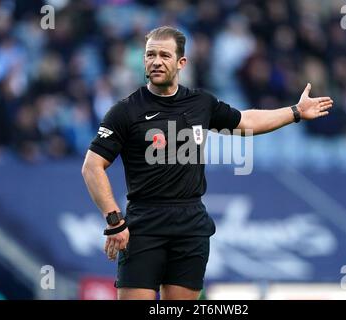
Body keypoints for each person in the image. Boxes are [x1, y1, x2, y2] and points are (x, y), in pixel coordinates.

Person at [81, 26, 333, 300]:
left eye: (165, 55)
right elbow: (92, 166)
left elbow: (246, 121)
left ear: (181, 62)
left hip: (190, 225)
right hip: (144, 225)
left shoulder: (200, 103)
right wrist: (115, 221)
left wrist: (295, 112)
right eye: (150, 54)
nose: (156, 61)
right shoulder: (125, 111)